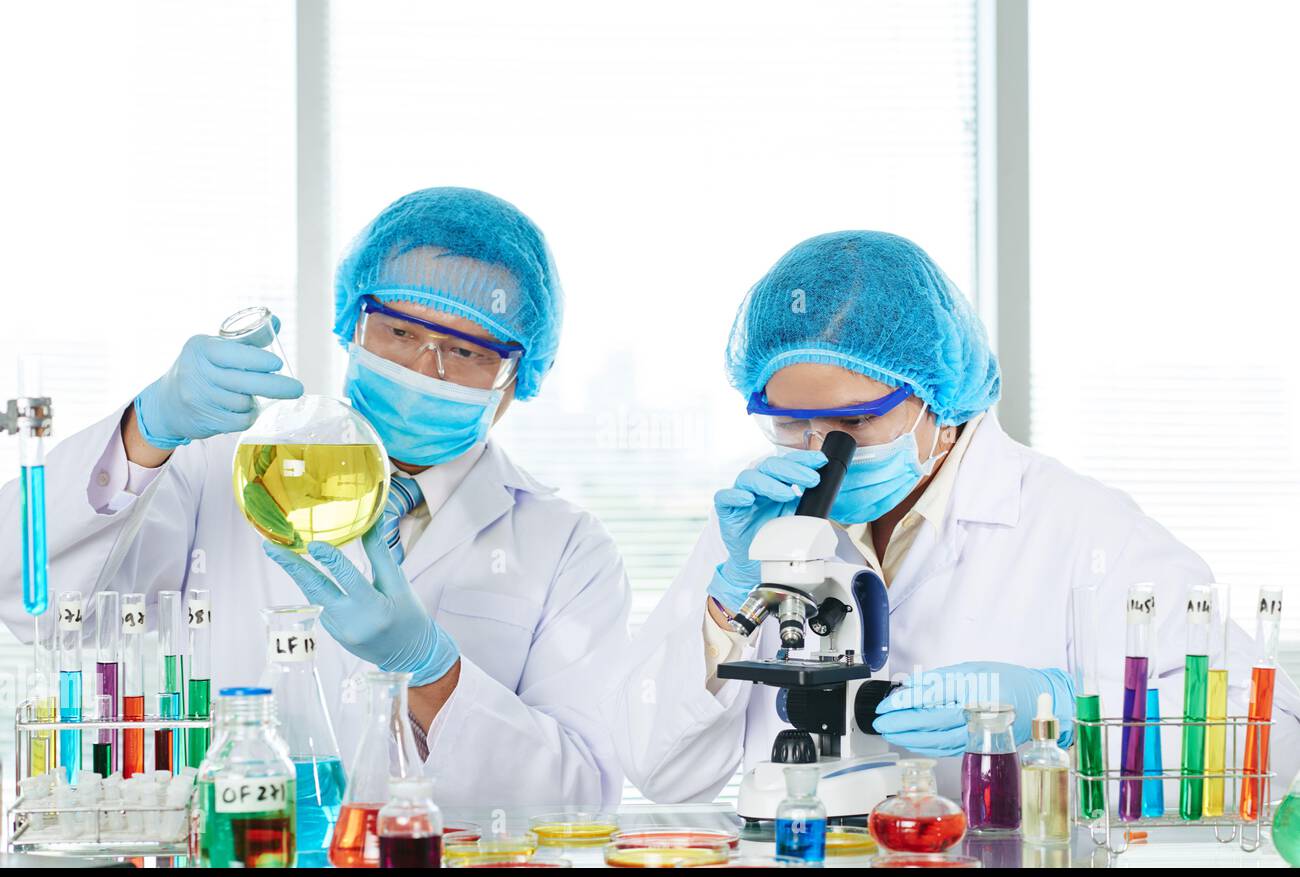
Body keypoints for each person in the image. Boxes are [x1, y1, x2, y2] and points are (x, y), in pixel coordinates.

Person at [605, 230, 1300, 804]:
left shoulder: (1080, 526)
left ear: (942, 400)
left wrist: (1051, 713)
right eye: (791, 424)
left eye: (851, 421)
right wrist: (728, 598)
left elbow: (1273, 741)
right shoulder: (765, 530)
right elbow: (662, 769)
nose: (821, 453)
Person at [0, 187, 631, 809]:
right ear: (353, 325)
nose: (422, 367)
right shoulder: (221, 465)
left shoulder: (568, 548)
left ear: (518, 375)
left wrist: (432, 671)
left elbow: (578, 797)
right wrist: (145, 430)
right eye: (400, 331)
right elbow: (38, 605)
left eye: (464, 351)